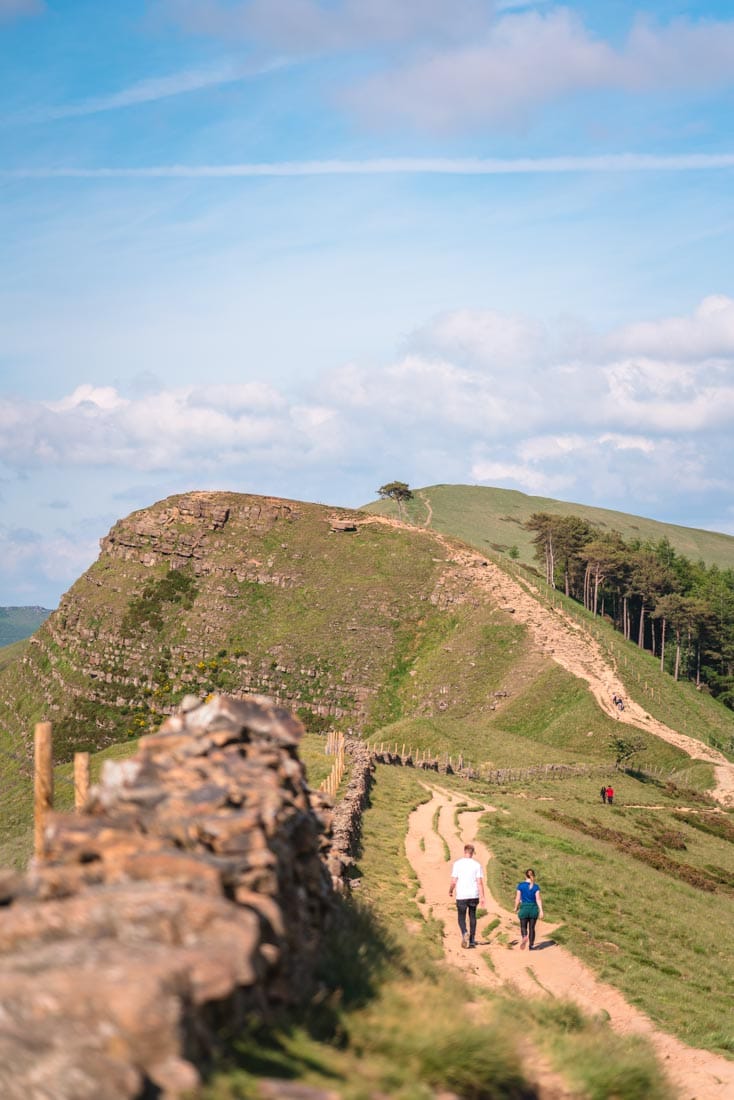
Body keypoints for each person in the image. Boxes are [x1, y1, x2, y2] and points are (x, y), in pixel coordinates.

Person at [449, 843, 486, 948]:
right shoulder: (477, 865)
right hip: (474, 895)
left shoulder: (457, 864)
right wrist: (482, 896)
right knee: (472, 916)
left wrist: (450, 890)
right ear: (472, 853)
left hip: (462, 895)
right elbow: (479, 882)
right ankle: (472, 939)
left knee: (461, 917)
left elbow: (454, 881)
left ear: (464, 851)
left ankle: (465, 932)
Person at [514, 868, 544, 951]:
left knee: (523, 927)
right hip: (533, 908)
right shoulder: (536, 887)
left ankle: (524, 936)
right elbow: (538, 899)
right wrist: (541, 910)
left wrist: (516, 907)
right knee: (532, 928)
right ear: (533, 875)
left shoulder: (521, 885)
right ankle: (531, 946)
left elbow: (517, 898)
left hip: (524, 908)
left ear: (525, 875)